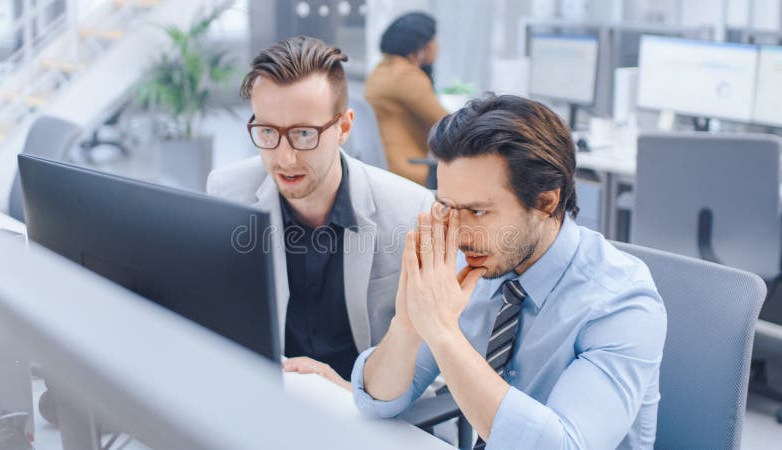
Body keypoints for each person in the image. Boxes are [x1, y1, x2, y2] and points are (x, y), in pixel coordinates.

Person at [351, 95, 668, 449]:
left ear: (546, 202)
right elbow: (377, 401)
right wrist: (409, 324)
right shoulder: (471, 263)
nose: (458, 233)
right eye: (447, 206)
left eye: (478, 212)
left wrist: (441, 332)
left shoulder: (622, 302)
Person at [207, 36, 434, 390]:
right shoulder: (227, 190)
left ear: (343, 127)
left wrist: (348, 391)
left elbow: (432, 369)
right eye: (267, 131)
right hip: (269, 399)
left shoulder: (410, 211)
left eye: (303, 133)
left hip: (363, 414)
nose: (284, 158)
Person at [365, 11, 448, 185]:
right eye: (434, 38)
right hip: (409, 171)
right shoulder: (405, 76)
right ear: (422, 46)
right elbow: (448, 124)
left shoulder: (380, 71)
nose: (437, 44)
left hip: (384, 168)